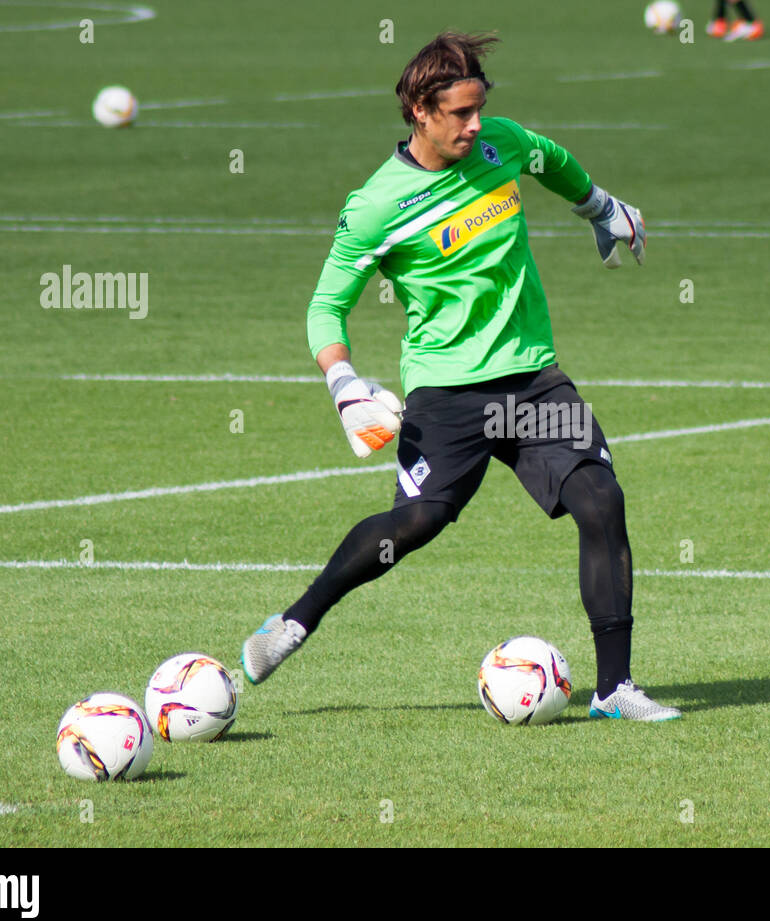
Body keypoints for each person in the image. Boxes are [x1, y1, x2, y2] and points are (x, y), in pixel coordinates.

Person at [240, 31, 680, 722]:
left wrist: (599, 205)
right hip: (446, 394)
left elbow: (551, 158)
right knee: (415, 522)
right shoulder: (378, 206)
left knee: (602, 500)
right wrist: (345, 386)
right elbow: (326, 307)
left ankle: (614, 690)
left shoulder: (498, 144)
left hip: (532, 379)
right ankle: (295, 621)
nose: (475, 127)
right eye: (459, 115)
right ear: (420, 109)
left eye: (480, 111)